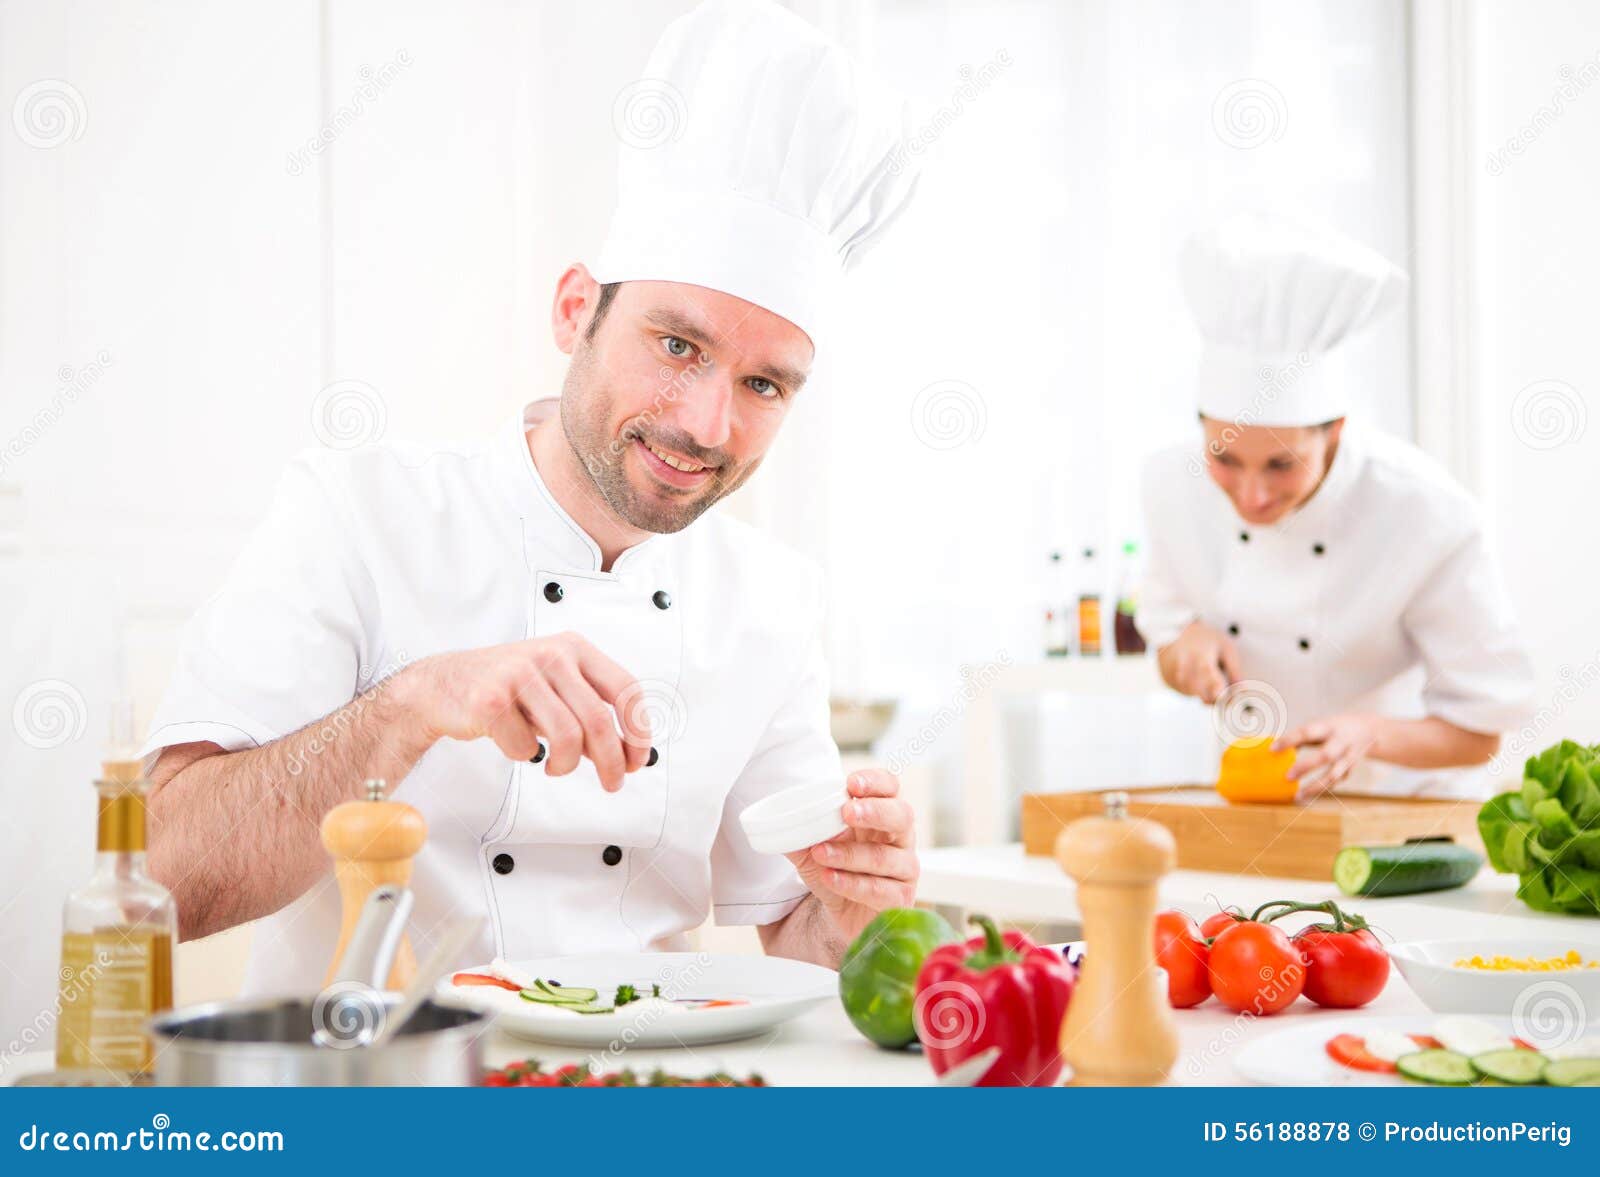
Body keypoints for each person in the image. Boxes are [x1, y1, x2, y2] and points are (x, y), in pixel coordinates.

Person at [141, 0, 923, 993]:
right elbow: (164, 882)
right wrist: (416, 701)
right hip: (379, 1094)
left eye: (763, 383)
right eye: (676, 344)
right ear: (573, 312)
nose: (707, 424)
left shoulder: (769, 600)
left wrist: (858, 912)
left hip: (644, 1094)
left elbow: (802, 932)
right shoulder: (358, 513)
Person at [1138, 212, 1534, 797]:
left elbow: (1481, 728)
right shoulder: (1169, 482)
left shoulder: (1425, 512)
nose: (1252, 494)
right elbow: (1169, 642)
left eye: (1280, 464)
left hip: (1395, 816)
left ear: (1335, 431)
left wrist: (1370, 734)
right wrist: (1184, 653)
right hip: (1248, 802)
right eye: (1225, 459)